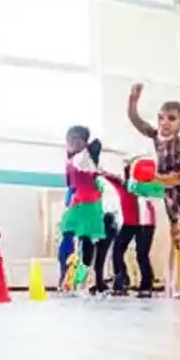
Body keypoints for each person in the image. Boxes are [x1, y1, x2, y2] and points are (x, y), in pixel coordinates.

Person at [127, 84, 180, 298]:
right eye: (161, 118)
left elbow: (179, 178)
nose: (165, 123)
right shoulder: (157, 138)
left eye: (171, 118)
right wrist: (133, 102)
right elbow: (137, 123)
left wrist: (152, 177)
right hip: (173, 202)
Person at [59, 125, 106, 291]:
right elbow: (70, 184)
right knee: (66, 235)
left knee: (87, 240)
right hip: (76, 201)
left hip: (90, 204)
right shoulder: (70, 159)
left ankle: (81, 278)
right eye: (69, 140)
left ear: (84, 143)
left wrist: (86, 145)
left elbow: (97, 144)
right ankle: (66, 274)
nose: (71, 143)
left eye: (76, 140)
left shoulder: (87, 156)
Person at [106, 160, 157, 297]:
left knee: (141, 254)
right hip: (130, 224)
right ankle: (122, 278)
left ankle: (146, 282)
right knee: (117, 251)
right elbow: (110, 176)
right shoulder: (123, 185)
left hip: (145, 223)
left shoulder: (143, 186)